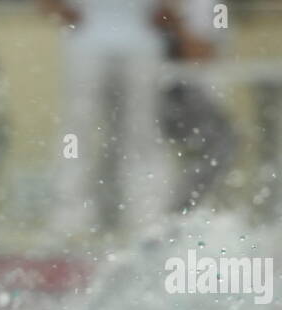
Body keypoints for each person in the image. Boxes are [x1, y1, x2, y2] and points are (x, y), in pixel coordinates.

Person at [36, 0, 169, 235]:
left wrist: (164, 16)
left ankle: (146, 211)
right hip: (87, 40)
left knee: (142, 129)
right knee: (78, 128)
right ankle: (70, 212)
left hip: (141, 40)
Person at [155, 0, 236, 213]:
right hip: (161, 94)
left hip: (192, 92)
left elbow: (202, 51)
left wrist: (175, 22)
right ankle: (179, 210)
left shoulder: (212, 7)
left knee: (219, 147)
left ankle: (185, 210)